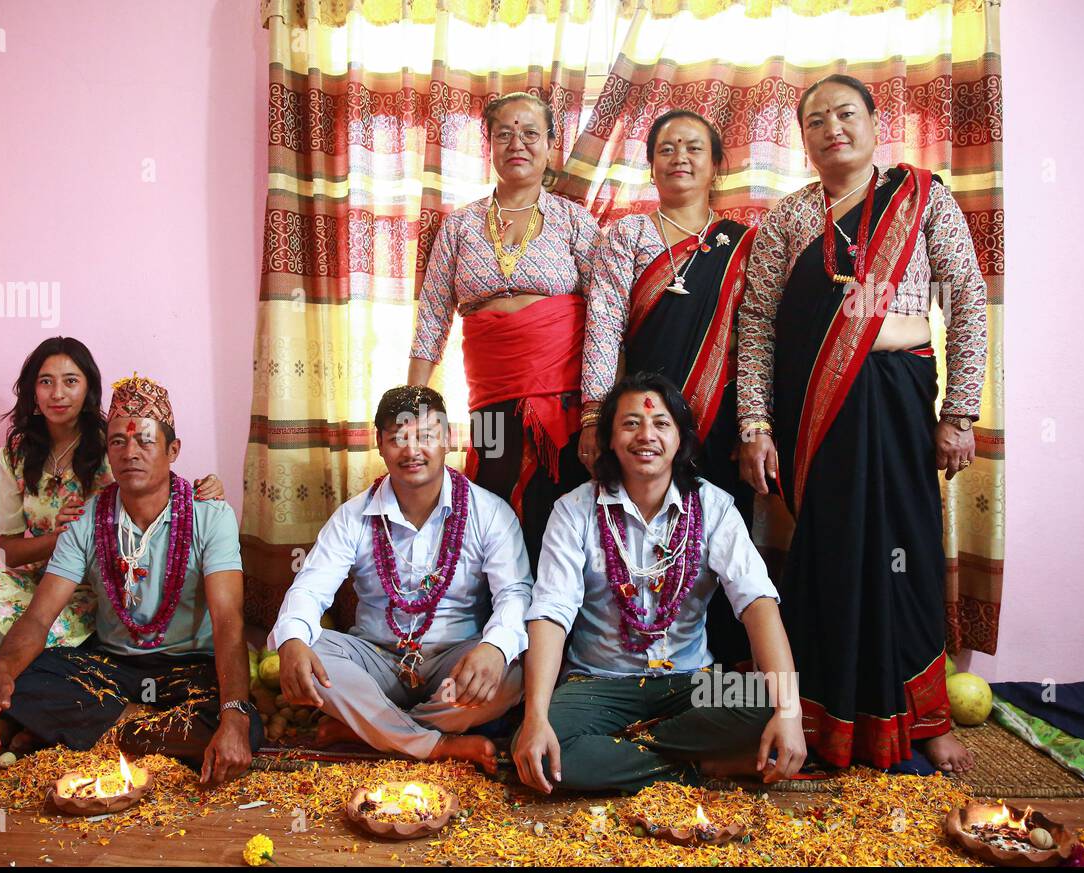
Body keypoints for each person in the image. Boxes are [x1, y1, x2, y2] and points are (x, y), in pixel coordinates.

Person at [735, 74, 988, 773]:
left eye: (845, 114)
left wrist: (960, 412)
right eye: (815, 120)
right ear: (804, 138)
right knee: (830, 554)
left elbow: (965, 301)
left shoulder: (923, 196)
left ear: (876, 124)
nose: (831, 129)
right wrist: (755, 424)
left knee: (906, 551)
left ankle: (927, 717)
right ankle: (826, 716)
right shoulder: (787, 219)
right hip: (814, 415)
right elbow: (755, 325)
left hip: (900, 400)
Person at [513, 371, 805, 794]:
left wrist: (790, 712)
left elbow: (757, 602)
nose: (645, 435)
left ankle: (626, 753)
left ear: (681, 439)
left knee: (765, 704)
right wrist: (535, 717)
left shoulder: (714, 506)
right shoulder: (574, 510)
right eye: (630, 423)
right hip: (598, 684)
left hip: (692, 683)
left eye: (661, 424)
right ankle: (696, 767)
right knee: (548, 748)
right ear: (610, 438)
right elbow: (550, 614)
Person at [0, 374, 261, 784]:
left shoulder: (211, 516)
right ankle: (144, 729)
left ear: (173, 450)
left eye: (145, 441)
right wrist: (2, 678)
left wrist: (235, 718)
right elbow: (38, 618)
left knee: (247, 725)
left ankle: (89, 729)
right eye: (118, 441)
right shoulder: (88, 521)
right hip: (111, 670)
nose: (130, 452)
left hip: (188, 669)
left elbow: (228, 620)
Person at [269, 385, 532, 773]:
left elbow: (514, 593)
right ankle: (438, 744)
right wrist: (291, 639)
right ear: (379, 443)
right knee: (311, 649)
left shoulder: (490, 513)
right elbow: (309, 588)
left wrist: (493, 648)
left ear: (447, 439)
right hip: (375, 661)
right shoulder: (352, 516)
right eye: (398, 438)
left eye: (425, 436)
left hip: (454, 663)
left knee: (514, 670)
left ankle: (368, 730)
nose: (412, 451)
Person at [582, 109, 757, 666]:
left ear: (716, 167)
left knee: (720, 549)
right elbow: (604, 327)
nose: (679, 158)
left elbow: (757, 341)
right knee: (634, 546)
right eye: (666, 148)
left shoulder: (743, 244)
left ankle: (723, 681)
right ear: (652, 165)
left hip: (719, 427)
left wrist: (756, 426)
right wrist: (593, 417)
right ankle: (621, 668)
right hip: (643, 429)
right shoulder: (627, 236)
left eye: (694, 148)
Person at [0, 337, 224, 654]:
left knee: (38, 644)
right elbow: (9, 553)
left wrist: (207, 488)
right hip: (39, 583)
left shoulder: (115, 442)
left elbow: (158, 485)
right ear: (33, 390)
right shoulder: (16, 454)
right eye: (46, 382)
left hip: (104, 585)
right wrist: (62, 536)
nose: (58, 393)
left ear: (89, 388)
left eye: (71, 381)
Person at [408, 92, 600, 570]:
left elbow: (606, 315)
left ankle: (557, 634)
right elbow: (433, 317)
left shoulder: (575, 222)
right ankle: (501, 629)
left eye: (531, 133)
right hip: (490, 403)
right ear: (489, 145)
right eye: (504, 134)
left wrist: (602, 405)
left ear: (551, 145)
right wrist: (409, 407)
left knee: (557, 508)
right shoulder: (460, 226)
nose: (518, 143)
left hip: (563, 404)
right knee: (491, 499)